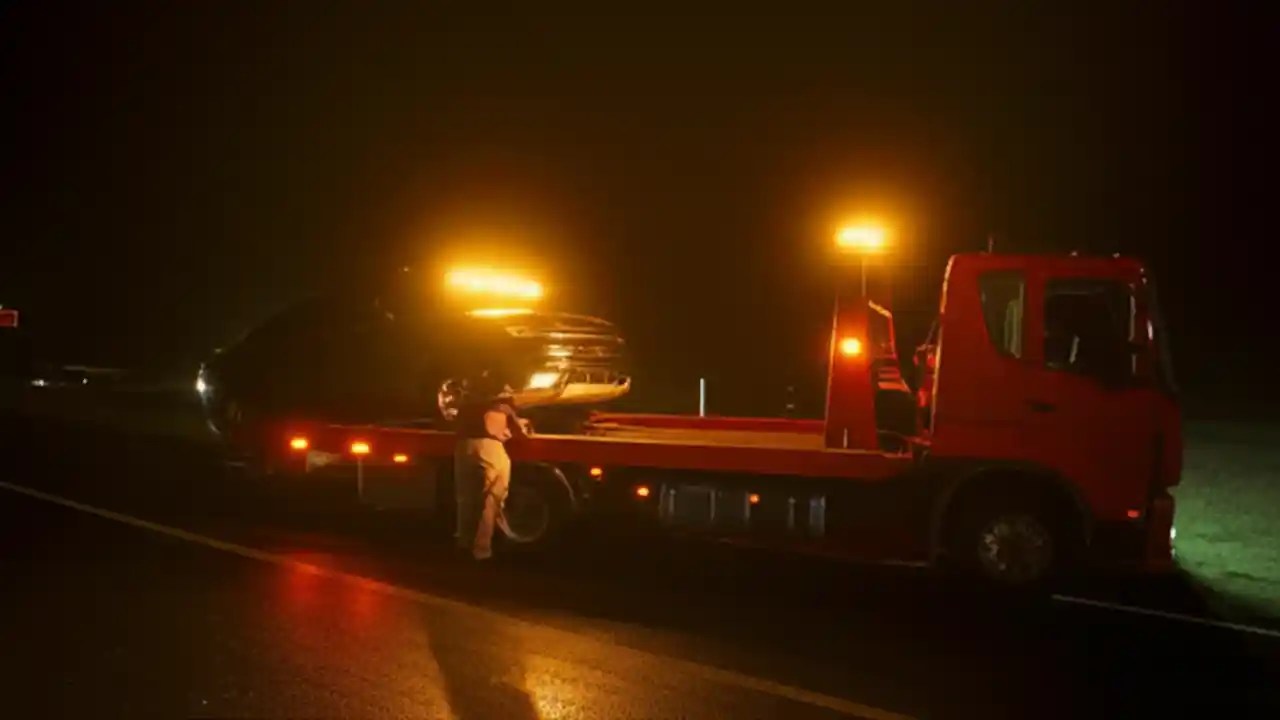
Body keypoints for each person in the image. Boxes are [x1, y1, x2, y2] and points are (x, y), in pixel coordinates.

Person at [453, 372, 531, 560]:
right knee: (491, 498)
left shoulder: (465, 406)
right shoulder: (502, 407)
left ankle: (463, 543)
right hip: (489, 450)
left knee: (466, 498)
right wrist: (520, 427)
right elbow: (522, 433)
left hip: (463, 448)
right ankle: (482, 550)